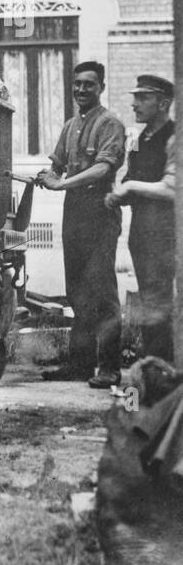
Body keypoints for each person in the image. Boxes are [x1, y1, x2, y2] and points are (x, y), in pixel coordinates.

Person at [37, 61, 126, 389]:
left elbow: (103, 169)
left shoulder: (110, 124)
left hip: (100, 213)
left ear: (101, 86)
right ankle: (79, 364)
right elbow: (56, 167)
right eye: (76, 84)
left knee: (102, 292)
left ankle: (110, 369)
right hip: (73, 213)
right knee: (77, 292)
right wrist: (47, 177)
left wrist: (62, 183)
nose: (81, 90)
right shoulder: (70, 125)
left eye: (88, 84)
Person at [105, 74, 175, 362]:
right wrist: (118, 193)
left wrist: (130, 188)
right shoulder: (138, 137)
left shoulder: (174, 137)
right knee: (148, 298)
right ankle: (153, 366)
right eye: (135, 96)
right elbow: (132, 175)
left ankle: (160, 367)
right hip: (142, 231)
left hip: (167, 232)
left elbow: (172, 189)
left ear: (164, 103)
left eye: (143, 97)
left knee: (159, 301)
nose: (134, 103)